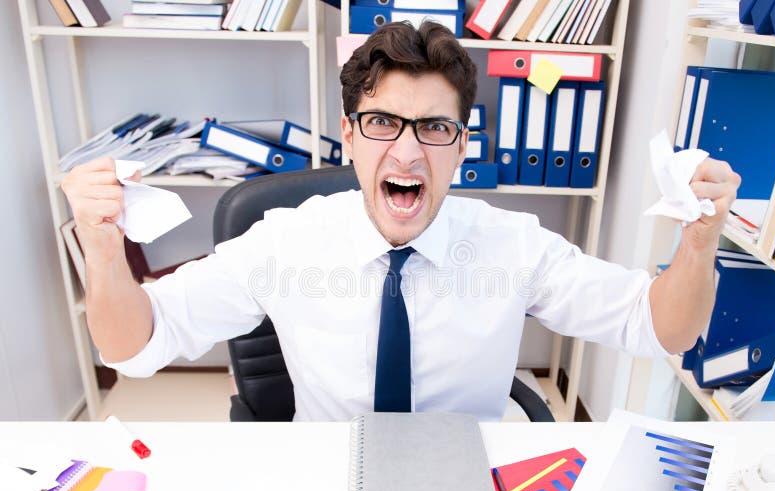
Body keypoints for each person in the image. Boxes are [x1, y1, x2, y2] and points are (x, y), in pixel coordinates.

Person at [60, 21, 740, 421]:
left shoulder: (514, 246)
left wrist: (700, 240)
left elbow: (661, 326)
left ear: (463, 147)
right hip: (327, 485)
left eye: (435, 127)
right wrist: (102, 246)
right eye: (384, 123)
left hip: (470, 485)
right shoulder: (285, 242)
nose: (409, 150)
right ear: (350, 139)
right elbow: (131, 345)